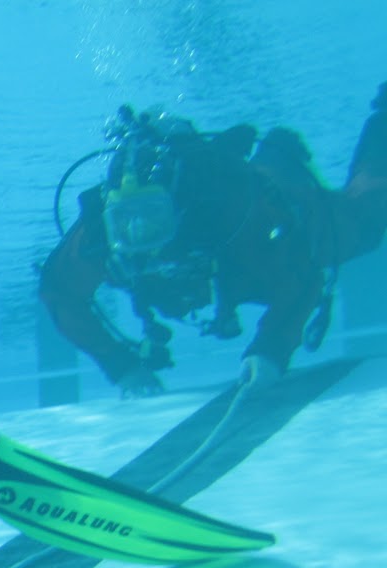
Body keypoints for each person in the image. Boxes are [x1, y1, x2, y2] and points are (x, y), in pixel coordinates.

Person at [39, 85, 387, 398]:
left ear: (179, 211)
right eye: (125, 221)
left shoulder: (235, 216)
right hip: (235, 224)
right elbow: (59, 292)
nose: (140, 238)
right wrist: (121, 367)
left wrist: (270, 351)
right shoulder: (101, 237)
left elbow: (303, 277)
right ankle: (277, 150)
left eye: (153, 217)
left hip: (279, 198)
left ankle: (360, 127)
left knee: (368, 218)